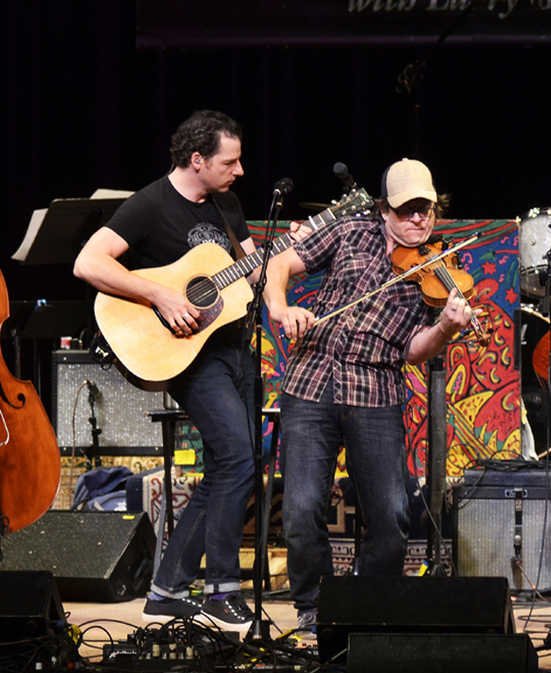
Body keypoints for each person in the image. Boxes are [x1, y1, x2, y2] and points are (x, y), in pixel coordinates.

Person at [263, 158, 474, 632]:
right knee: (299, 511)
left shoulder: (441, 270)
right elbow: (280, 263)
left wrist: (443, 328)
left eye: (427, 209)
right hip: (310, 381)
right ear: (384, 210)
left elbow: (416, 352)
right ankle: (313, 608)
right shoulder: (347, 232)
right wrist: (281, 307)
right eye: (407, 210)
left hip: (376, 389)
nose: (419, 219)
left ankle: (366, 603)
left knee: (392, 515)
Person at [74, 110, 260, 633]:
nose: (240, 170)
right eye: (231, 161)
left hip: (233, 349)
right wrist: (158, 292)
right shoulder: (150, 203)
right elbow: (89, 263)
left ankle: (167, 590)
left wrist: (293, 257)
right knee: (237, 459)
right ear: (197, 159)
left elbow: (253, 265)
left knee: (234, 465)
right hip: (188, 356)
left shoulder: (226, 203)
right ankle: (220, 589)